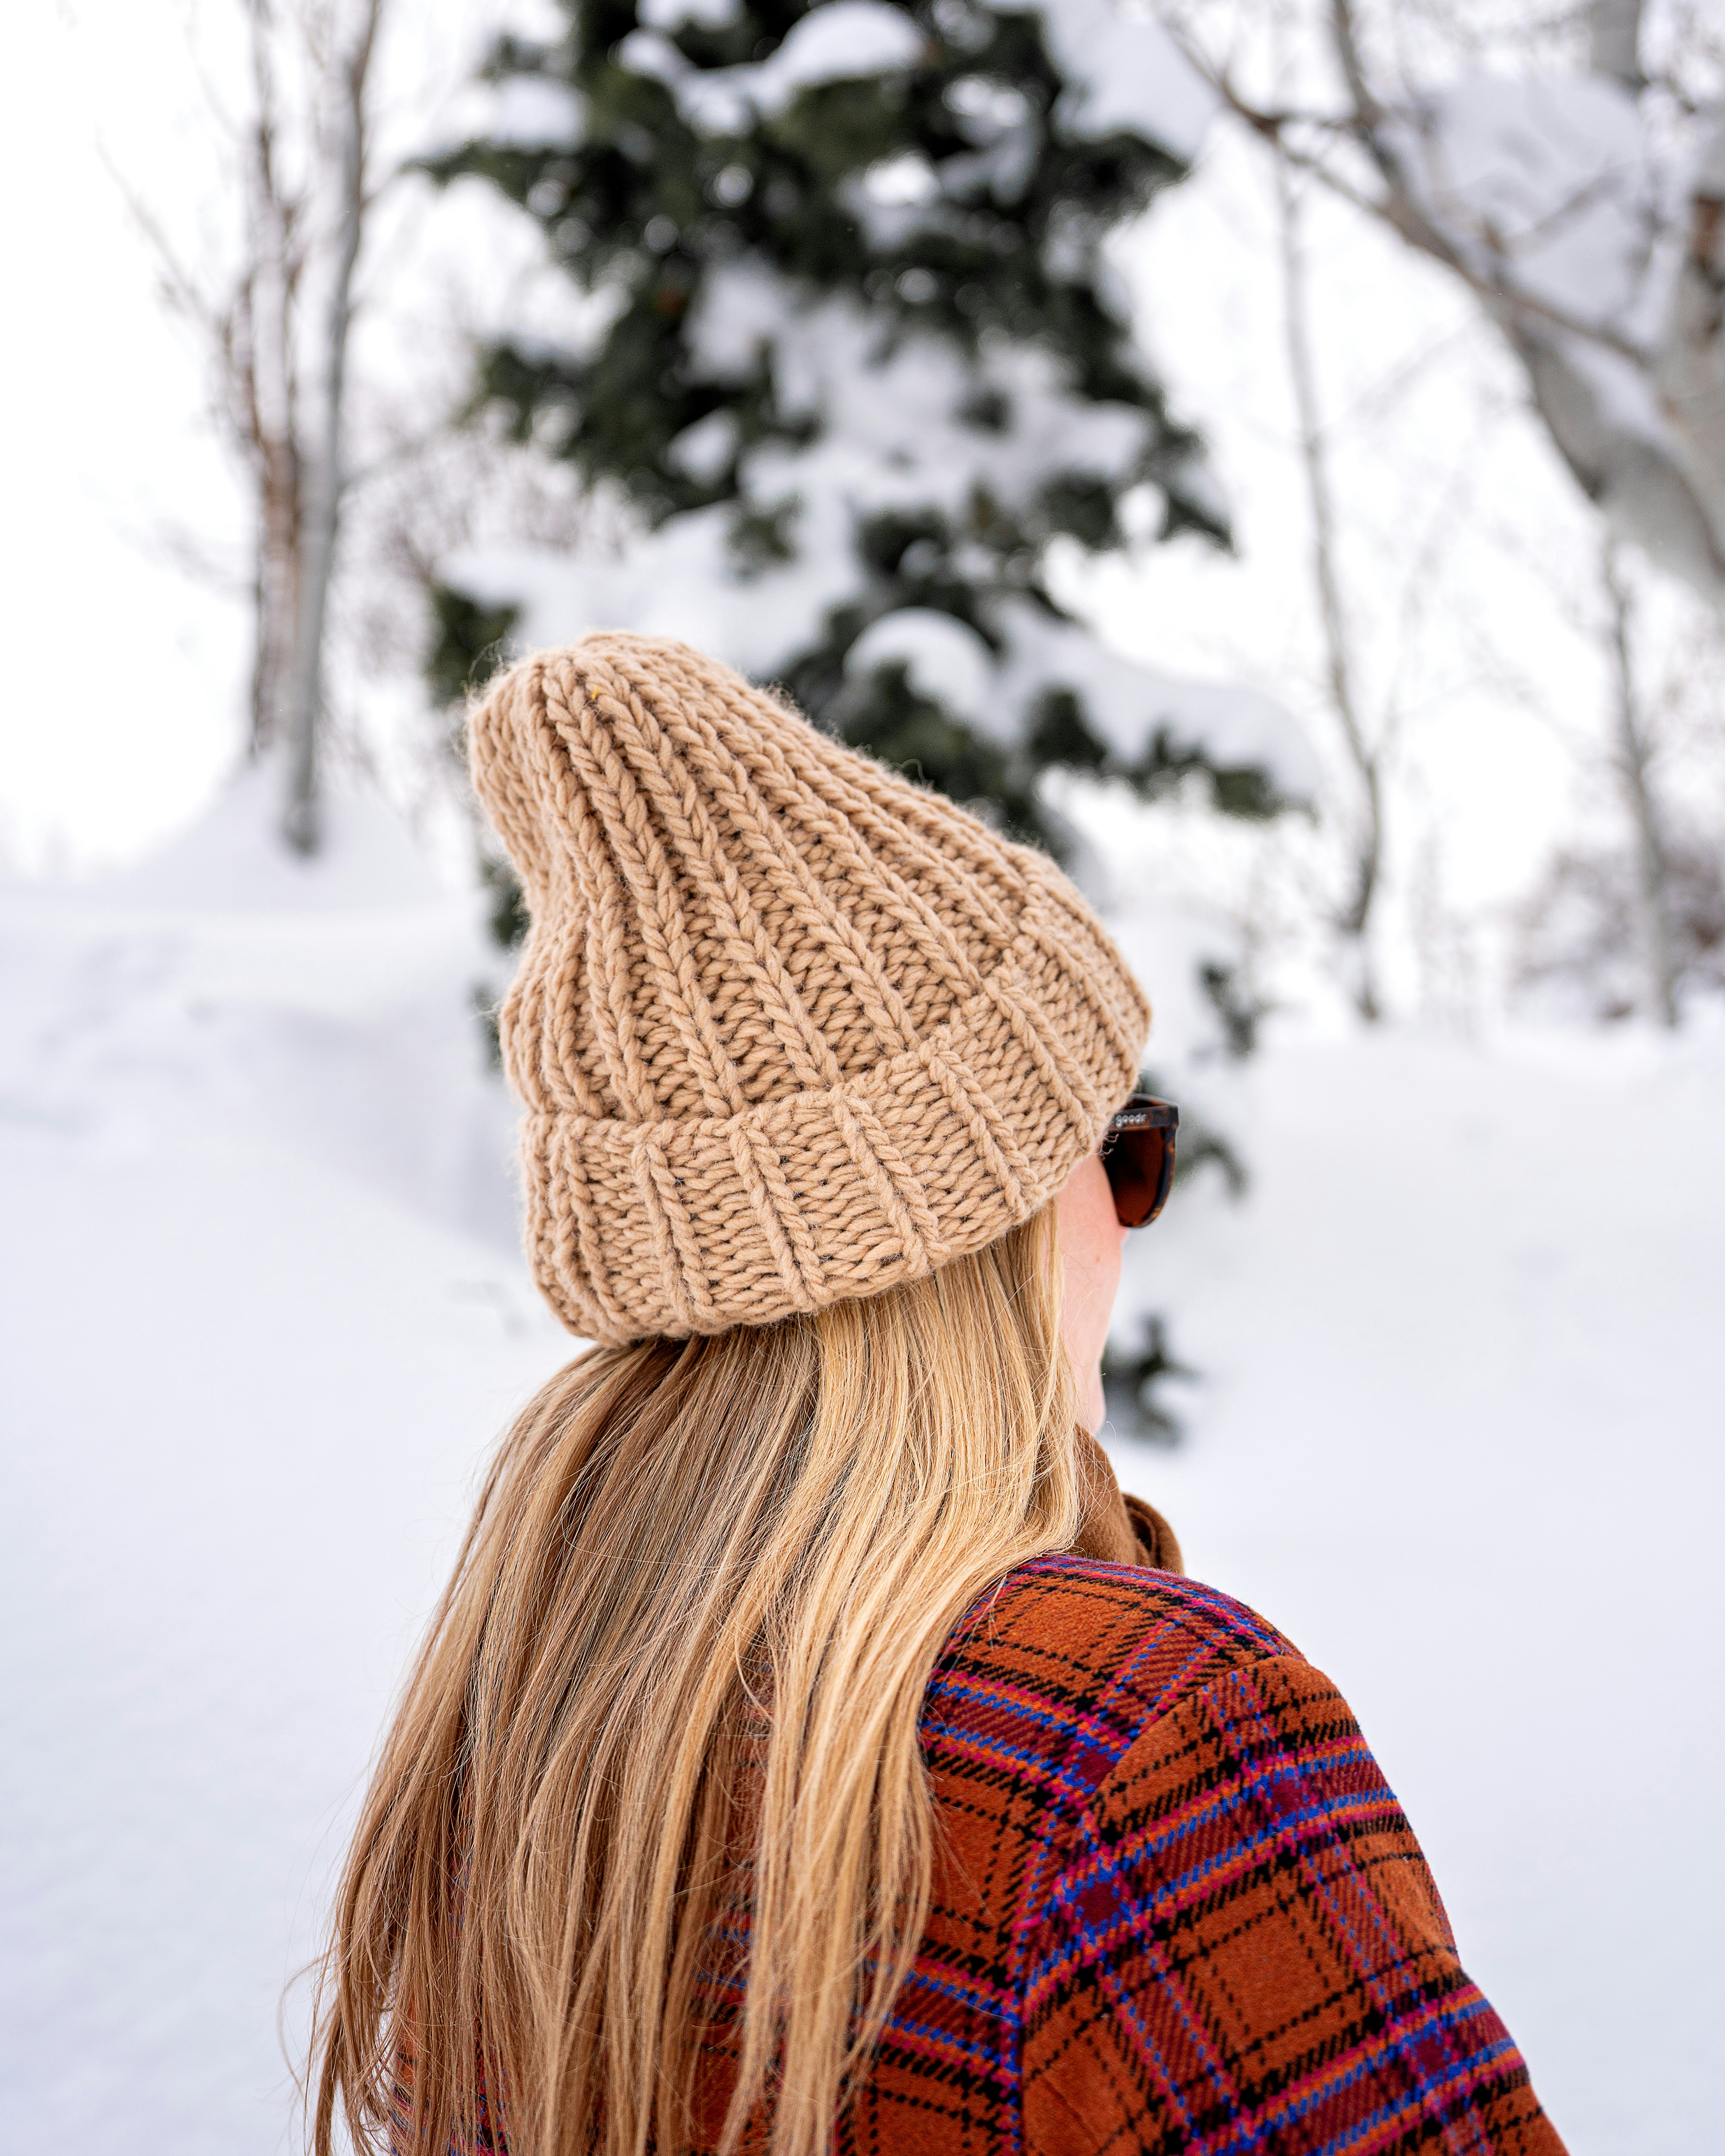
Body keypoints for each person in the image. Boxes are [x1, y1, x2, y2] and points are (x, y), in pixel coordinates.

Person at [310, 635, 1565, 2156]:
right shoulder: (1147, 1742)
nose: (1132, 1217)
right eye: (1121, 1151)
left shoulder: (525, 1745)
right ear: (979, 1226)